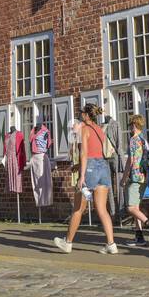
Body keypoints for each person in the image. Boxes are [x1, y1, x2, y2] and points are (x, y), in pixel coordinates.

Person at [53, 103, 118, 254]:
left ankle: (67, 242)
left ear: (86, 115)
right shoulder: (99, 129)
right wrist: (78, 166)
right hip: (103, 168)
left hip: (90, 170)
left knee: (78, 208)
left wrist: (82, 176)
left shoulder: (85, 129)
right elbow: (97, 153)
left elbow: (85, 153)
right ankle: (111, 244)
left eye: (82, 112)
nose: (80, 114)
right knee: (102, 209)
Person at [123, 114, 149, 247]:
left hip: (134, 177)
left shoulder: (133, 140)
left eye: (130, 125)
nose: (130, 128)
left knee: (130, 207)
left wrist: (124, 177)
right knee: (136, 207)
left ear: (133, 125)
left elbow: (130, 161)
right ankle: (139, 238)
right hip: (144, 177)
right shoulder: (145, 141)